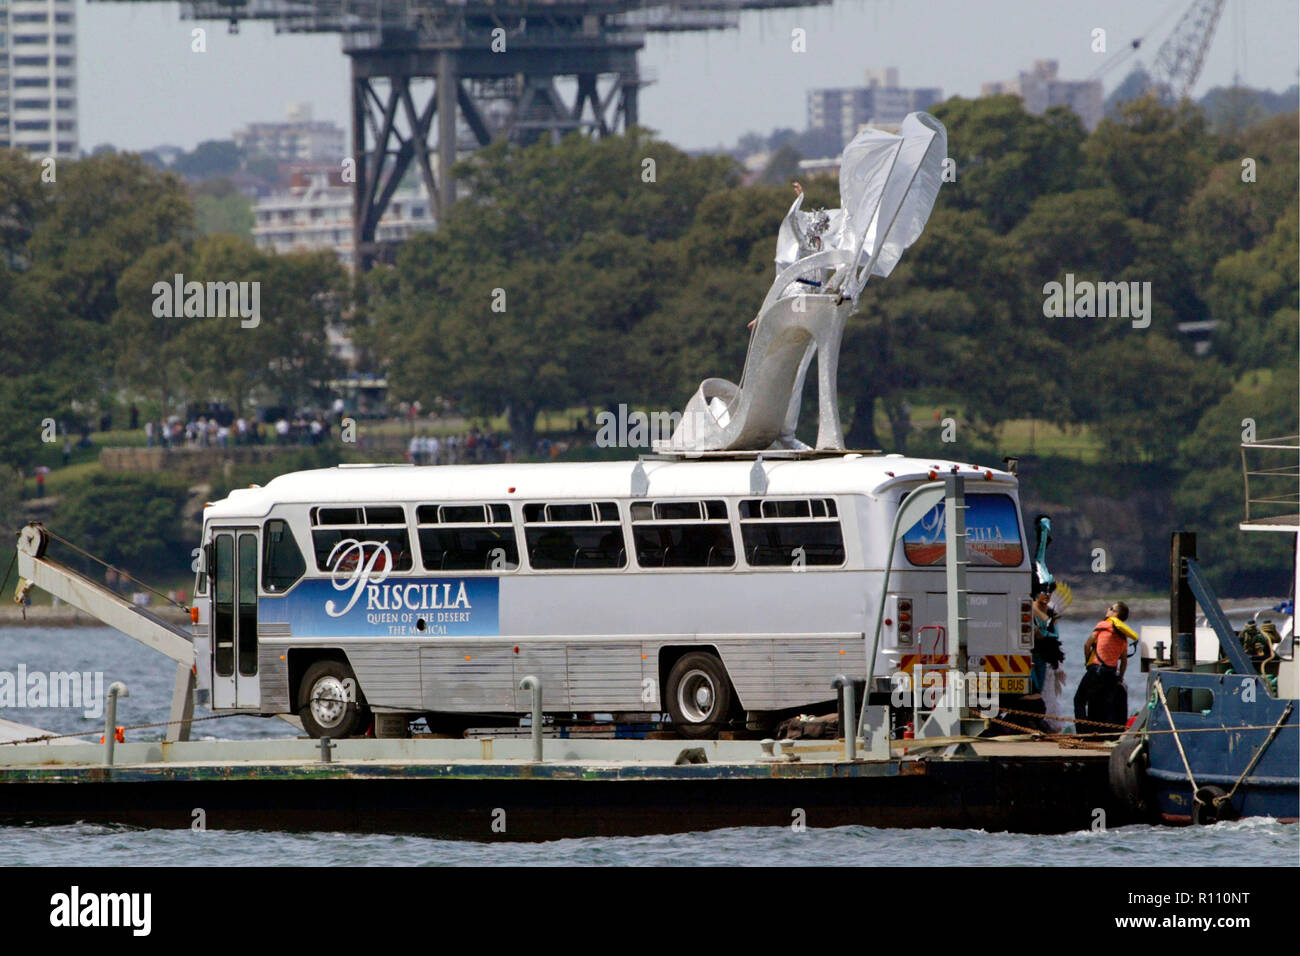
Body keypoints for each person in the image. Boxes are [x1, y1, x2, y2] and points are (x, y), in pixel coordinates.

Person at [1074, 600, 1132, 737]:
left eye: (1111, 608)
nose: (1108, 609)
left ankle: (1083, 734)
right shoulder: (1123, 635)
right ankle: (1103, 734)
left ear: (1115, 614)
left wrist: (1087, 661)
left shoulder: (1103, 625)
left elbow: (1087, 644)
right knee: (1102, 704)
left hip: (1096, 669)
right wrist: (1120, 677)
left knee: (1079, 700)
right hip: (1112, 674)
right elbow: (1124, 661)